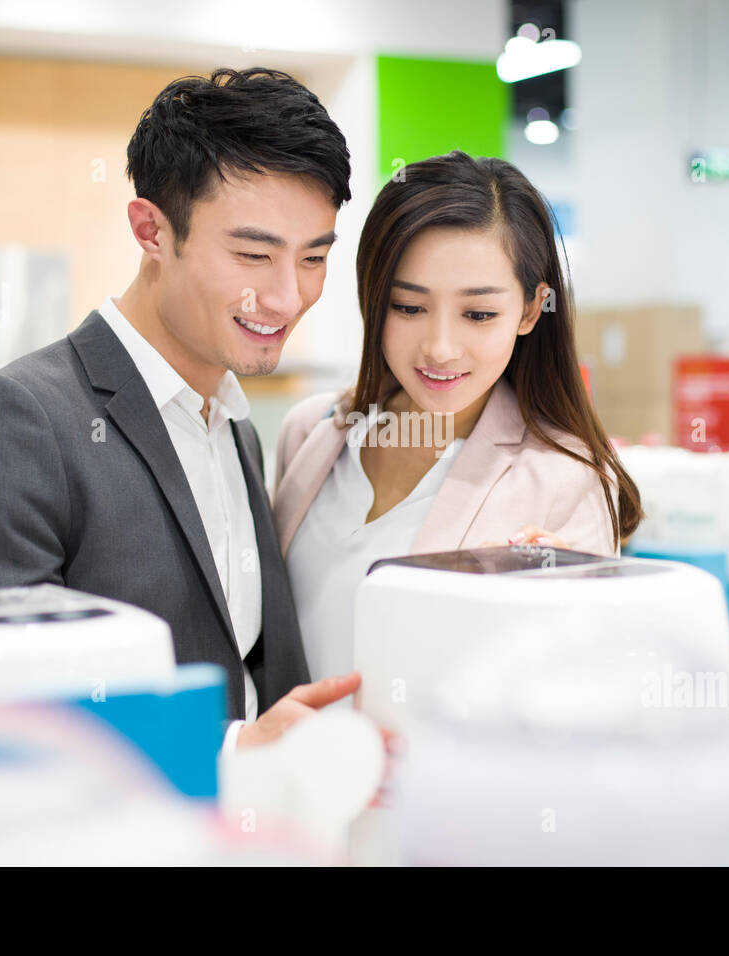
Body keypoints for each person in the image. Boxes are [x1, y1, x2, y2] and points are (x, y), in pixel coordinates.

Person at [0, 68, 359, 748]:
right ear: (151, 230)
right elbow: (2, 716)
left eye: (314, 259)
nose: (287, 298)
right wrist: (236, 750)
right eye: (252, 254)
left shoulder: (233, 424)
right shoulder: (14, 420)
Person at [273, 151, 643, 682]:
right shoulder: (311, 432)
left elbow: (579, 691)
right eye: (407, 306)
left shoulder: (567, 480)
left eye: (478, 314)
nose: (440, 348)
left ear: (532, 309)